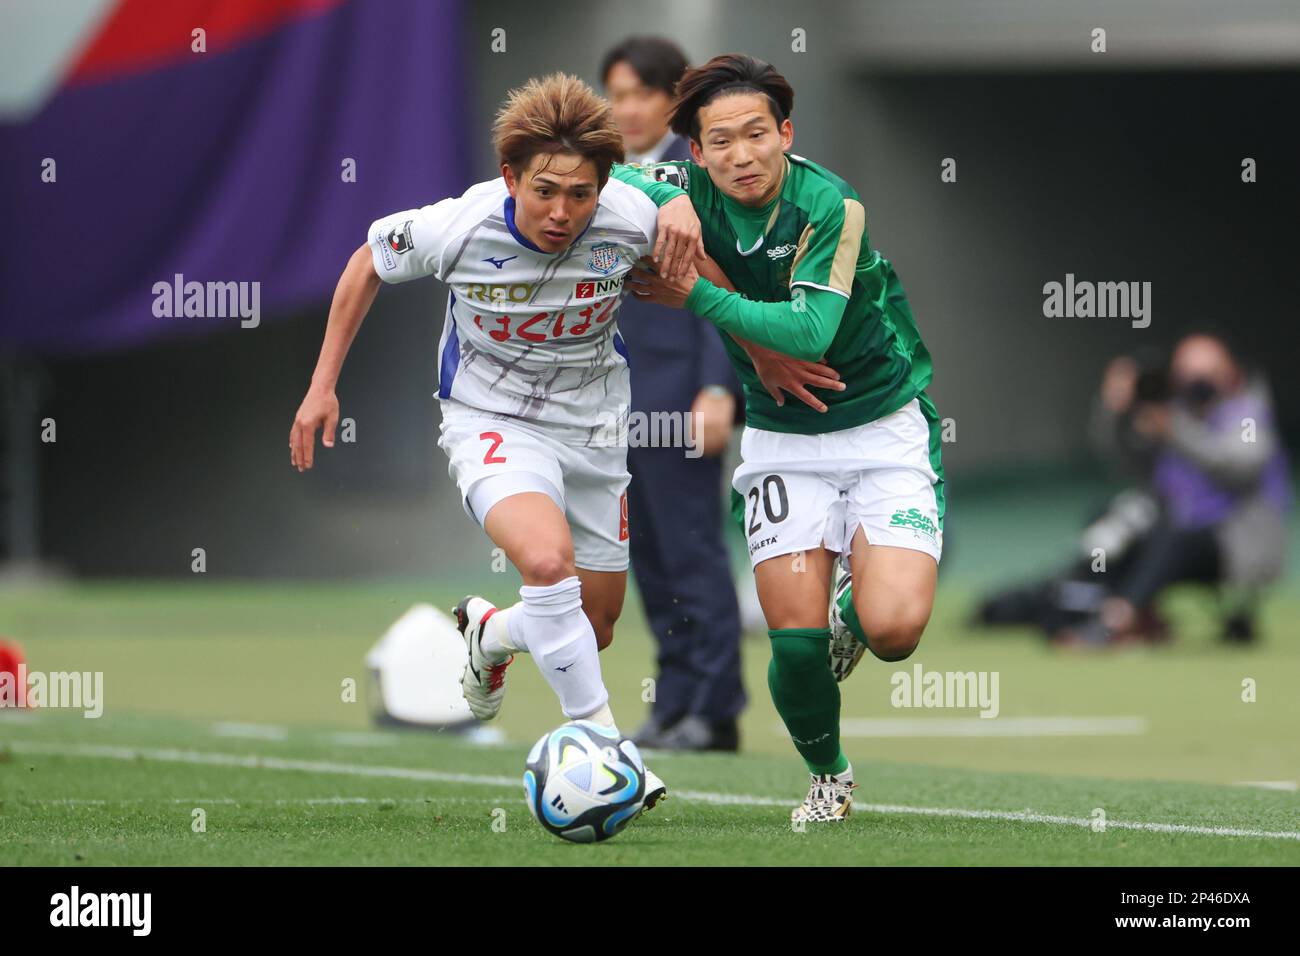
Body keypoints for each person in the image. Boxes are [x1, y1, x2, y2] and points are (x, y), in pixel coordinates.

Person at [288, 73, 709, 817]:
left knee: (596, 625)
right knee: (546, 565)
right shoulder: (459, 226)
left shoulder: (632, 214)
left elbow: (689, 226)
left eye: (581, 194)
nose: (561, 211)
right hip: (493, 421)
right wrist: (322, 385)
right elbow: (365, 263)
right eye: (544, 189)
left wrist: (682, 231)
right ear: (510, 175)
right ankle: (610, 751)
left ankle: (490, 631)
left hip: (596, 427)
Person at [618, 54, 945, 822]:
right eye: (720, 141)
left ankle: (855, 608)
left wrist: (690, 289)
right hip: (783, 438)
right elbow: (608, 178)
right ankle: (828, 776)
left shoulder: (830, 203)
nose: (742, 155)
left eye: (757, 134)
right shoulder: (681, 187)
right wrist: (663, 202)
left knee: (895, 630)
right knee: (794, 646)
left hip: (879, 422)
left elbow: (808, 330)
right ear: (693, 153)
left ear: (785, 133)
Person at [600, 36, 746, 752]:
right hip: (618, 402)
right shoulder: (602, 180)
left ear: (671, 101)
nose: (626, 109)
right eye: (616, 95)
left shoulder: (695, 182)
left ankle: (716, 710)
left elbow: (721, 289)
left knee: (693, 553)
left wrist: (719, 389)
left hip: (680, 396)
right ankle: (674, 699)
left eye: (640, 95)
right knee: (650, 559)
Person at [1070, 332, 1291, 645]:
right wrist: (1115, 411)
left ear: (1229, 372)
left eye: (1206, 373)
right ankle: (1100, 606)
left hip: (1236, 544)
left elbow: (1240, 466)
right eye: (1187, 375)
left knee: (1175, 536)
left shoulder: (1248, 415)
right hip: (1177, 532)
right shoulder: (1175, 412)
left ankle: (1118, 620)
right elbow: (1124, 462)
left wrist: (1176, 431)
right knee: (1112, 517)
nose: (1196, 383)